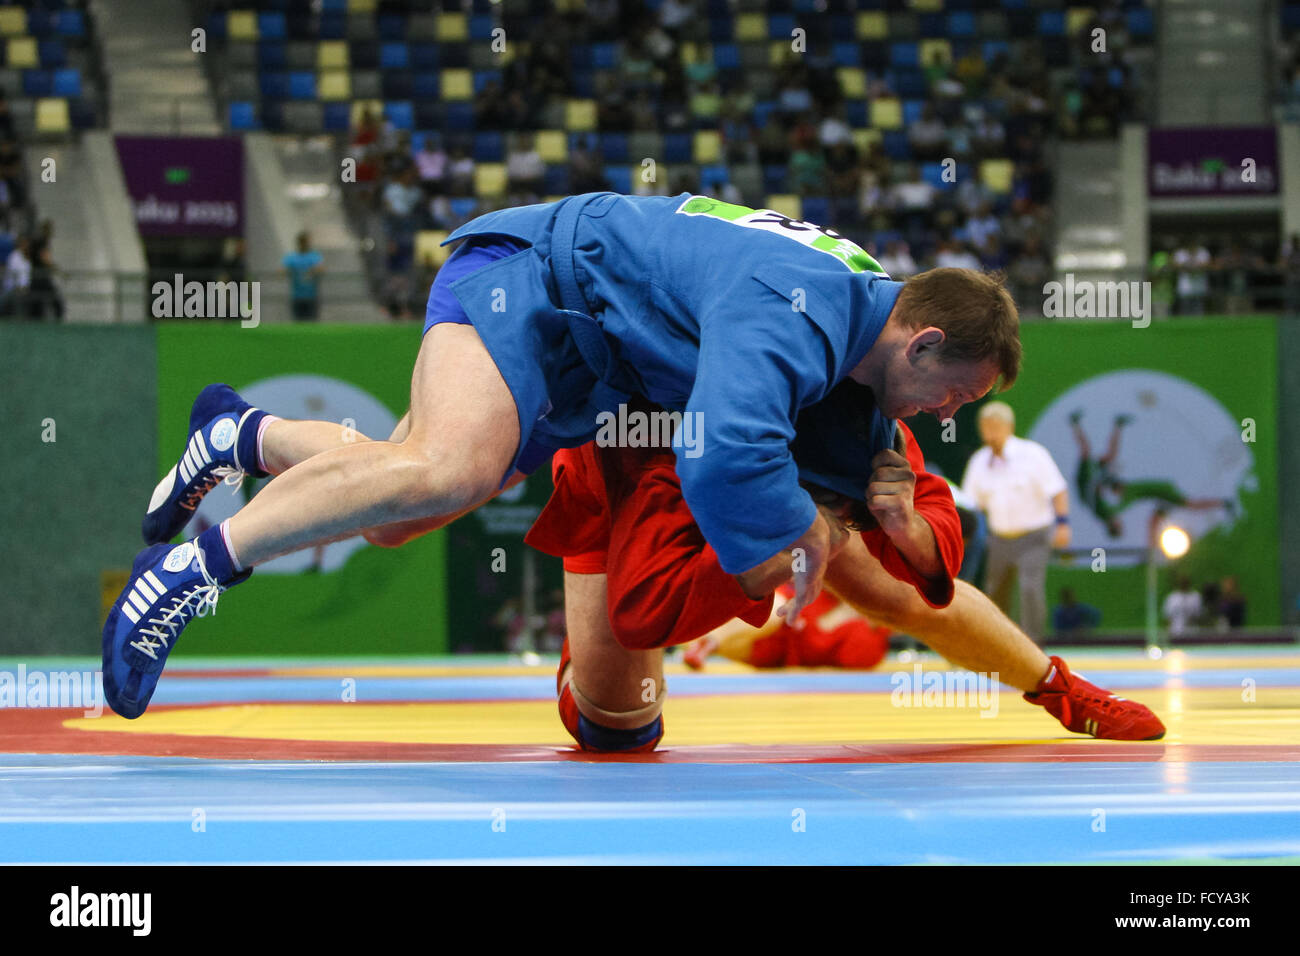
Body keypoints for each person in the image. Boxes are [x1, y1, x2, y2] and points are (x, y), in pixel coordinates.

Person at [103, 192, 1019, 719]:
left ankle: (238, 436)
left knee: (398, 514)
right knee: (447, 469)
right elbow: (723, 450)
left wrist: (849, 520)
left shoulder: (854, 328)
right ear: (924, 340)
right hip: (531, 282)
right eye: (958, 392)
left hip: (589, 361)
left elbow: (836, 493)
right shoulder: (804, 308)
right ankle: (184, 574)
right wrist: (795, 534)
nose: (947, 413)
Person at [520, 397, 1165, 750]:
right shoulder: (663, 383)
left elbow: (930, 564)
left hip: (762, 439)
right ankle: (588, 663)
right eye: (947, 395)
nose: (943, 408)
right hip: (641, 452)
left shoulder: (854, 380)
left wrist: (900, 523)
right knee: (615, 725)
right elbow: (645, 611)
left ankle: (1058, 686)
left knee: (894, 591)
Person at [961, 401, 1070, 642]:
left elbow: (1058, 490)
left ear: (1008, 427)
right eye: (984, 426)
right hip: (999, 537)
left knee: (1030, 588)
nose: (988, 432)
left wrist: (1063, 523)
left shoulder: (1032, 454)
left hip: (1034, 536)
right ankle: (998, 644)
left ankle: (1032, 646)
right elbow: (971, 504)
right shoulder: (979, 461)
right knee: (995, 592)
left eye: (994, 426)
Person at [282, 231, 324, 321]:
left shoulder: (313, 256)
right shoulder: (292, 257)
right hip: (297, 295)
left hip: (311, 295)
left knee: (312, 321)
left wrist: (313, 271)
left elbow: (321, 268)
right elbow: (283, 270)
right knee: (298, 322)